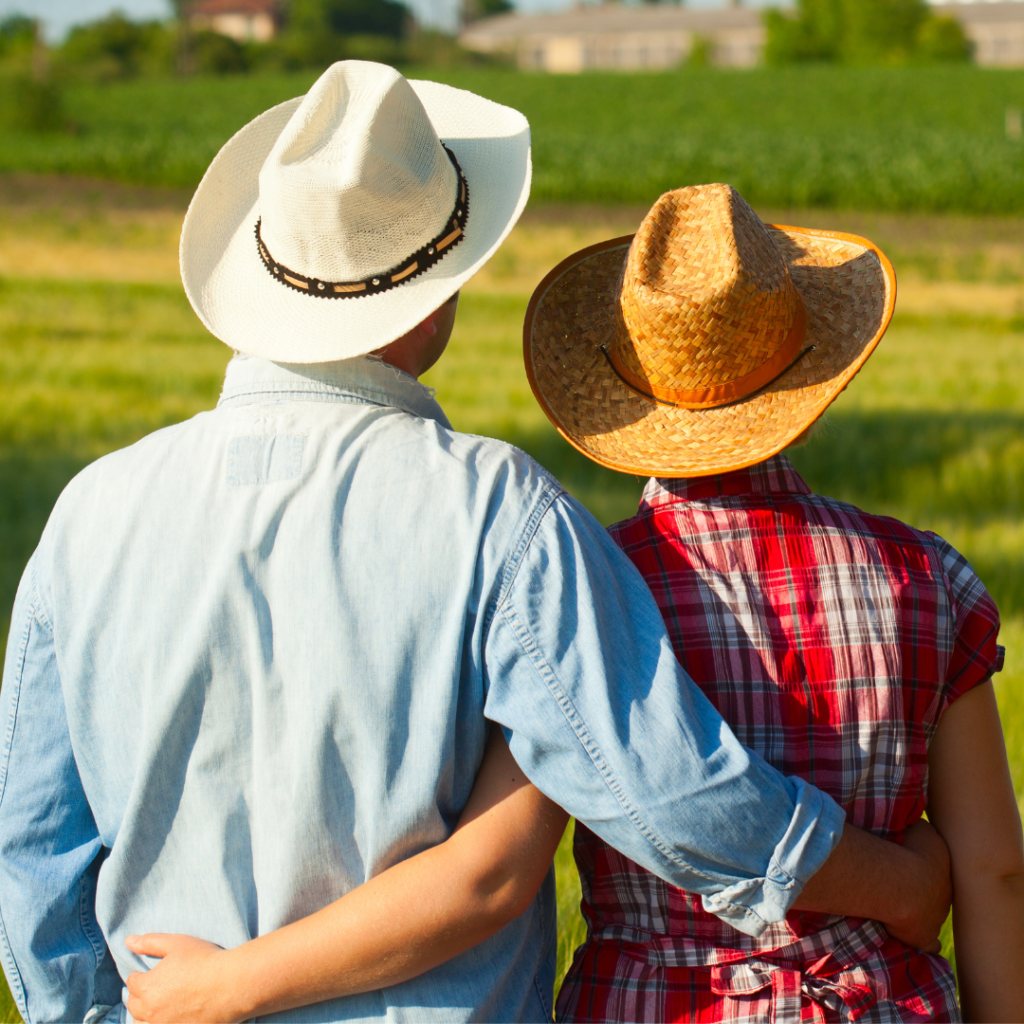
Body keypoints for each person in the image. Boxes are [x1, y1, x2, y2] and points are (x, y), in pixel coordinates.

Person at [0, 65, 949, 1024]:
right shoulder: (497, 511)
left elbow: (33, 846)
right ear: (434, 294)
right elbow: (670, 796)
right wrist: (899, 885)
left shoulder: (88, 512)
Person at [518, 183, 1023, 1022]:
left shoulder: (584, 587)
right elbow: (994, 867)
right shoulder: (926, 578)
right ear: (810, 383)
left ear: (630, 395)